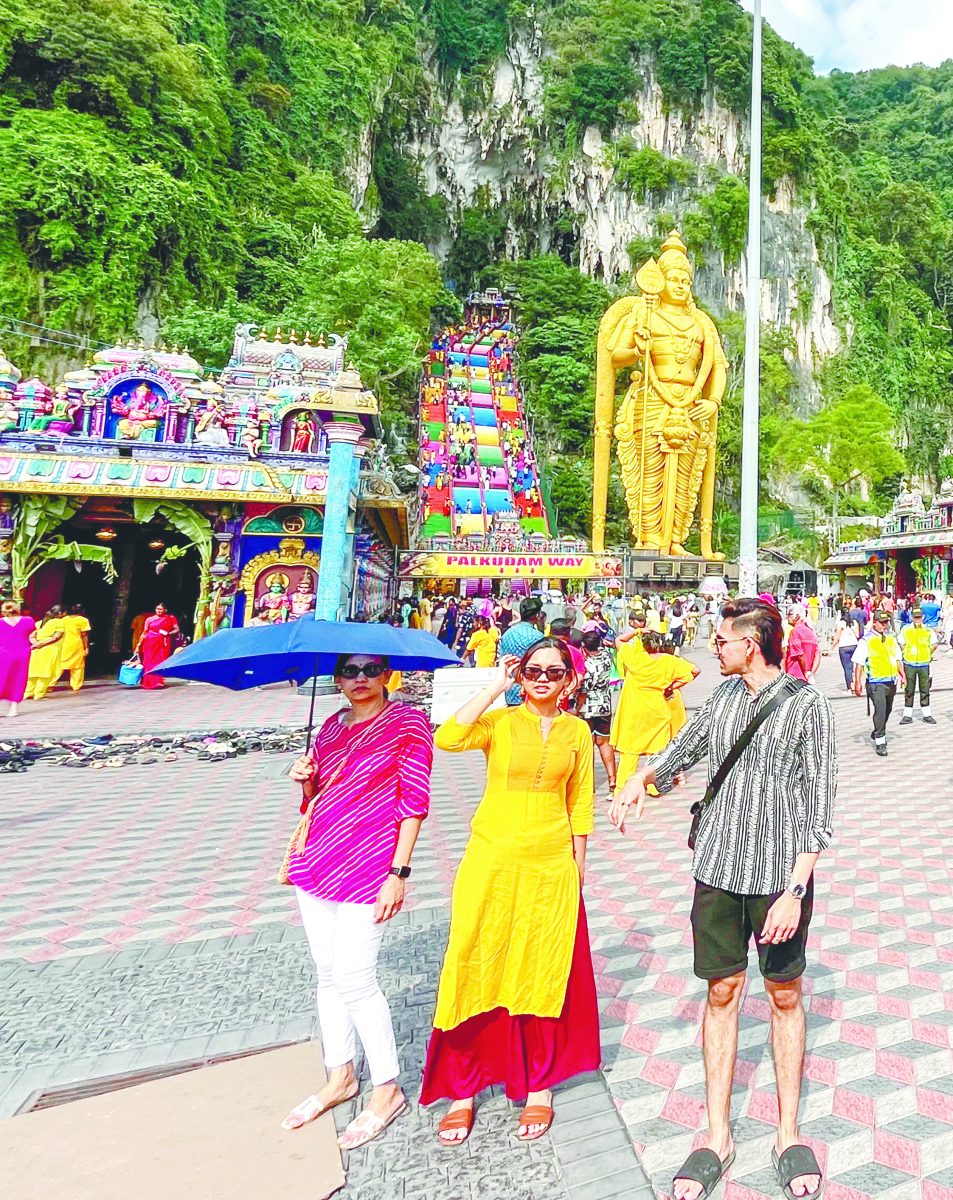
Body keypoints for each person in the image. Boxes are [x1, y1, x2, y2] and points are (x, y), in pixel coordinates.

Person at [610, 598, 836, 1200]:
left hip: (778, 878)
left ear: (751, 644)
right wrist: (640, 779)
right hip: (717, 868)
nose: (714, 648)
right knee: (722, 990)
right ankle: (717, 1136)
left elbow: (820, 805)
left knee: (784, 994)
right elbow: (683, 749)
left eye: (721, 640)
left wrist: (795, 890)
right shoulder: (723, 698)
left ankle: (787, 1133)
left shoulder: (808, 705)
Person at [421, 641, 599, 1144]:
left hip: (549, 864)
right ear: (520, 675)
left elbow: (580, 802)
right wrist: (495, 686)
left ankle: (539, 1084)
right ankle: (463, 1089)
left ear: (569, 680)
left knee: (540, 966)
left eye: (553, 672)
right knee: (473, 960)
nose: (542, 678)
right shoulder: (500, 723)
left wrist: (578, 866)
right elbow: (449, 737)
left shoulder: (577, 732)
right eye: (532, 670)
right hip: (492, 860)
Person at [282, 654, 432, 1148]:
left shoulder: (408, 723)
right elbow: (316, 799)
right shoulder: (330, 725)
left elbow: (414, 802)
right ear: (337, 679)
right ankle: (340, 1075)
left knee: (355, 978)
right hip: (316, 860)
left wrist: (398, 873)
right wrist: (305, 776)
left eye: (371, 670)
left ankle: (387, 1089)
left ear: (387, 675)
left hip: (370, 865)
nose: (361, 679)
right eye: (350, 671)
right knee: (327, 973)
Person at [610, 631, 699, 789]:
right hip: (657, 710)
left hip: (634, 711)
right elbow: (695, 671)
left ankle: (622, 789)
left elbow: (619, 640)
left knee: (630, 752)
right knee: (657, 751)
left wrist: (637, 631)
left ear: (644, 645)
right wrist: (671, 687)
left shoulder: (635, 657)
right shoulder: (669, 660)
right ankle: (654, 787)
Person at [852, 608, 904, 757]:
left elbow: (897, 659)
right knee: (880, 710)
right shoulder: (866, 641)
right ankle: (880, 741)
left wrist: (903, 675)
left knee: (888, 709)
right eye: (881, 622)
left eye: (886, 622)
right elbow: (859, 663)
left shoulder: (890, 639)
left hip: (891, 680)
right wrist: (857, 682)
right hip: (876, 682)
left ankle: (877, 730)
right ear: (874, 623)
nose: (884, 625)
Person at [0, 601, 59, 717]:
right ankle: (13, 709)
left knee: (2, 677)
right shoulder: (28, 621)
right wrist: (37, 644)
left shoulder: (1, 623)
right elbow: (31, 635)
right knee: (18, 679)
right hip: (22, 653)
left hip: (4, 654)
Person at [578, 629, 617, 796]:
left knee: (588, 745)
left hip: (588, 707)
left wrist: (576, 708)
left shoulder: (586, 664)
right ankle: (612, 779)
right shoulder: (606, 657)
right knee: (604, 742)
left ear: (584, 646)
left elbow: (583, 690)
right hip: (604, 705)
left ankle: (589, 783)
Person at [498, 596, 546, 705]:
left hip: (510, 690)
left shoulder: (508, 633)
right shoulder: (537, 636)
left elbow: (502, 659)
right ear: (537, 615)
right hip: (529, 692)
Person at [898, 605, 937, 725]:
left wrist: (928, 653)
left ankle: (927, 714)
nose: (917, 620)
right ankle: (907, 714)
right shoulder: (906, 629)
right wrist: (906, 652)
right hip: (909, 663)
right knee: (909, 689)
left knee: (925, 688)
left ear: (923, 617)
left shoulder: (928, 630)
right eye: (915, 617)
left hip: (924, 663)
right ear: (912, 617)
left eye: (919, 617)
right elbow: (901, 642)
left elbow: (934, 644)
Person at [24, 606, 68, 700]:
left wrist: (36, 644)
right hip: (50, 650)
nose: (65, 614)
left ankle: (28, 693)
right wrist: (42, 644)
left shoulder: (39, 622)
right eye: (65, 612)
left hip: (36, 650)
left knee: (33, 672)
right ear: (60, 613)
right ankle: (39, 694)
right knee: (45, 672)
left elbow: (31, 636)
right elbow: (55, 637)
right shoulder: (59, 622)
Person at [135, 604, 181, 690]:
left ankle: (157, 681)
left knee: (159, 661)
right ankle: (147, 682)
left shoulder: (170, 618)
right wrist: (138, 645)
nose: (158, 611)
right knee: (148, 661)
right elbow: (144, 632)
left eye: (160, 609)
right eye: (157, 609)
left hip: (162, 642)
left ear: (165, 610)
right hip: (149, 642)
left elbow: (176, 629)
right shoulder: (149, 619)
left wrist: (168, 633)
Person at [826, 602, 863, 692]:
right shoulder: (854, 623)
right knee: (855, 666)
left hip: (844, 647)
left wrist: (831, 648)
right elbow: (858, 635)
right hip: (854, 645)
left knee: (847, 667)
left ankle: (850, 686)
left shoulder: (841, 623)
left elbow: (837, 638)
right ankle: (856, 682)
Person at [58, 604, 92, 691]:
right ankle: (76, 685)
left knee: (60, 665)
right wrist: (86, 647)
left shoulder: (64, 619)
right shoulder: (83, 620)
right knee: (78, 666)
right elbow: (84, 635)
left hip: (64, 644)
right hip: (76, 644)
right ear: (82, 611)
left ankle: (50, 684)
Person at [784, 606, 819, 683]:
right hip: (806, 678)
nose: (787, 617)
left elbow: (800, 655)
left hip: (794, 675)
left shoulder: (795, 631)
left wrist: (805, 671)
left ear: (797, 616)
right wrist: (811, 673)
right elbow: (817, 655)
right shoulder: (811, 632)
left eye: (789, 614)